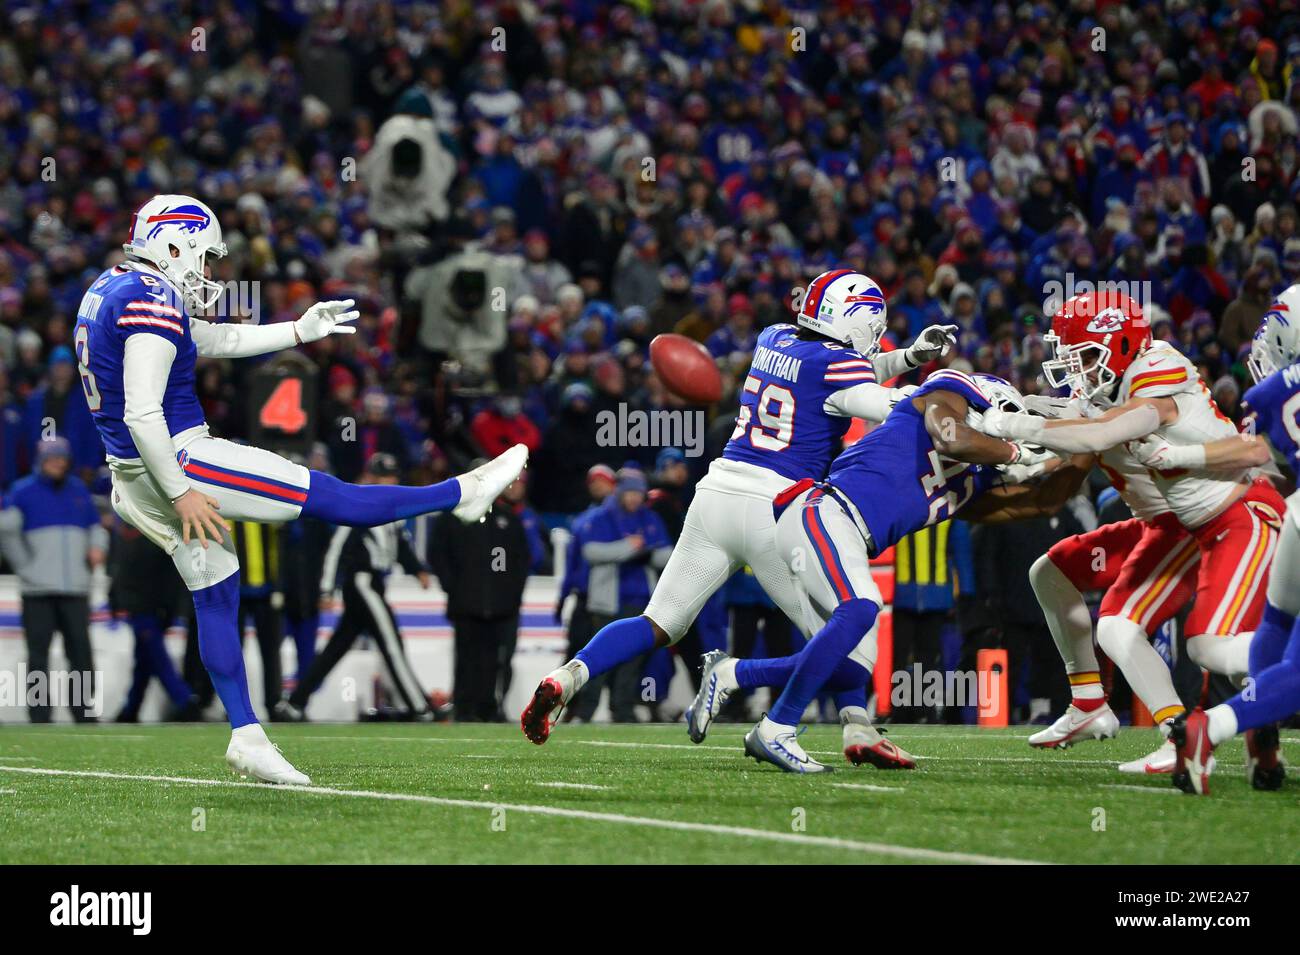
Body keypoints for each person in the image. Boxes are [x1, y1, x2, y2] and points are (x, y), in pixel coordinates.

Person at [75, 194, 527, 783]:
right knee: (330, 495)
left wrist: (296, 329)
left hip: (130, 477)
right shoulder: (153, 296)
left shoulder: (112, 286)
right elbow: (142, 413)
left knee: (215, 591)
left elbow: (210, 342)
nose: (210, 272)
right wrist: (182, 488)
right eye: (205, 258)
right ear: (175, 244)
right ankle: (458, 495)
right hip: (175, 460)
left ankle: (246, 734)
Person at [521, 269, 957, 749]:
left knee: (660, 620)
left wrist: (911, 356)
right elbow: (884, 402)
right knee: (844, 639)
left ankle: (568, 677)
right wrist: (959, 400)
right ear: (855, 322)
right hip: (774, 507)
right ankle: (820, 719)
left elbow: (837, 377)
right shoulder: (838, 366)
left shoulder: (774, 338)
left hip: (716, 492)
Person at [687, 373, 1086, 772]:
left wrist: (1089, 448)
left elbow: (1043, 504)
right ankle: (777, 727)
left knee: (852, 664)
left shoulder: (970, 482)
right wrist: (1017, 453)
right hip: (825, 511)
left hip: (845, 533)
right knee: (861, 607)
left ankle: (771, 689)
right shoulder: (944, 394)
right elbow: (953, 437)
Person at [981, 290, 1287, 773]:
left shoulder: (1156, 368)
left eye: (1085, 357)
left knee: (1150, 633)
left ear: (1122, 345)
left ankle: (1180, 732)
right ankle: (1089, 704)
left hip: (1208, 518)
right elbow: (1077, 428)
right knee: (1050, 573)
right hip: (1173, 522)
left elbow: (1096, 434)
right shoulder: (1108, 389)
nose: (1078, 372)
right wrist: (1018, 427)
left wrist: (1014, 423)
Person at [1164, 289, 1300, 794]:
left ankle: (1263, 743)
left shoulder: (1269, 395)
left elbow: (1263, 457)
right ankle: (1212, 727)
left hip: (1294, 520)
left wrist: (1188, 458)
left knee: (1276, 626)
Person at [280, 454, 437, 721]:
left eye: (392, 476)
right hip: (361, 582)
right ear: (372, 477)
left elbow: (399, 546)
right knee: (391, 642)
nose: (390, 481)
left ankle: (295, 703)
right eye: (384, 476)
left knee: (336, 648)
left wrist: (417, 569)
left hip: (374, 581)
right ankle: (419, 706)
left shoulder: (393, 510)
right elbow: (336, 549)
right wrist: (327, 589)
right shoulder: (359, 503)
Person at [0, 437, 108, 722]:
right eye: (52, 458)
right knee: (38, 657)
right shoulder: (23, 491)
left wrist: (98, 546)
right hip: (37, 591)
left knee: (81, 654)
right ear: (41, 460)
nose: (58, 463)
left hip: (75, 588)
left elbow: (95, 528)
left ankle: (84, 713)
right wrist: (25, 566)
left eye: (62, 458)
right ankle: (39, 716)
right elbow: (6, 530)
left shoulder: (78, 491)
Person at [430, 468, 537, 721]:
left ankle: (489, 709)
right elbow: (437, 555)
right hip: (466, 604)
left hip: (500, 607)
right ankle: (464, 708)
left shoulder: (507, 519)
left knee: (495, 661)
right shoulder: (453, 518)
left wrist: (510, 596)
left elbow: (521, 562)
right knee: (466, 659)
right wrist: (453, 587)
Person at [111, 518, 196, 722]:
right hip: (141, 607)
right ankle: (131, 710)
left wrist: (169, 609)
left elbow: (168, 576)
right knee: (148, 658)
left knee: (154, 659)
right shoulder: (129, 533)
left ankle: (184, 702)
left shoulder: (149, 534)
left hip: (150, 607)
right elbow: (120, 572)